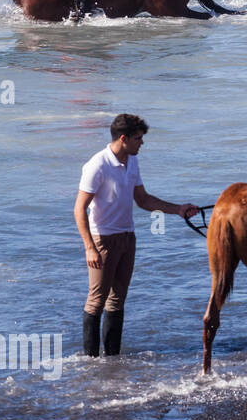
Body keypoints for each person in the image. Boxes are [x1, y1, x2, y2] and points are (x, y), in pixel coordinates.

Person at [75, 114, 199, 356]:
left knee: (117, 300)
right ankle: (90, 364)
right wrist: (89, 246)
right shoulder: (97, 165)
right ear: (124, 139)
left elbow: (142, 200)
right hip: (103, 239)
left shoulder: (132, 161)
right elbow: (79, 208)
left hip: (127, 237)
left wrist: (178, 210)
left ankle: (112, 360)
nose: (142, 143)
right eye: (138, 138)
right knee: (96, 302)